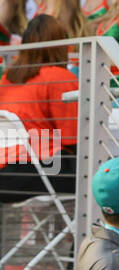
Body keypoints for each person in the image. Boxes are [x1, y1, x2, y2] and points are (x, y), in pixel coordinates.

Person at [0, 15, 78, 201]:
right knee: (109, 175)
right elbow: (74, 137)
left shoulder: (8, 77)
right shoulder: (59, 77)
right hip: (38, 169)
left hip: (7, 171)